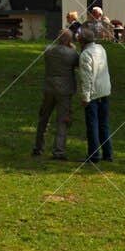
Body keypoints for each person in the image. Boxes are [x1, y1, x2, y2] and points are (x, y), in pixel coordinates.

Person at [32, 29, 79, 160]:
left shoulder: (48, 50)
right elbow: (77, 64)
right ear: (69, 40)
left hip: (49, 88)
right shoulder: (72, 53)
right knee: (62, 120)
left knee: (44, 117)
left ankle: (38, 147)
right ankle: (59, 150)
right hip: (64, 90)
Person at [77, 26, 113, 165]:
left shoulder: (85, 55)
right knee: (104, 124)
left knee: (92, 125)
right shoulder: (101, 49)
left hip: (93, 93)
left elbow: (87, 78)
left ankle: (94, 155)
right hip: (104, 90)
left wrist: (85, 97)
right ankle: (108, 153)